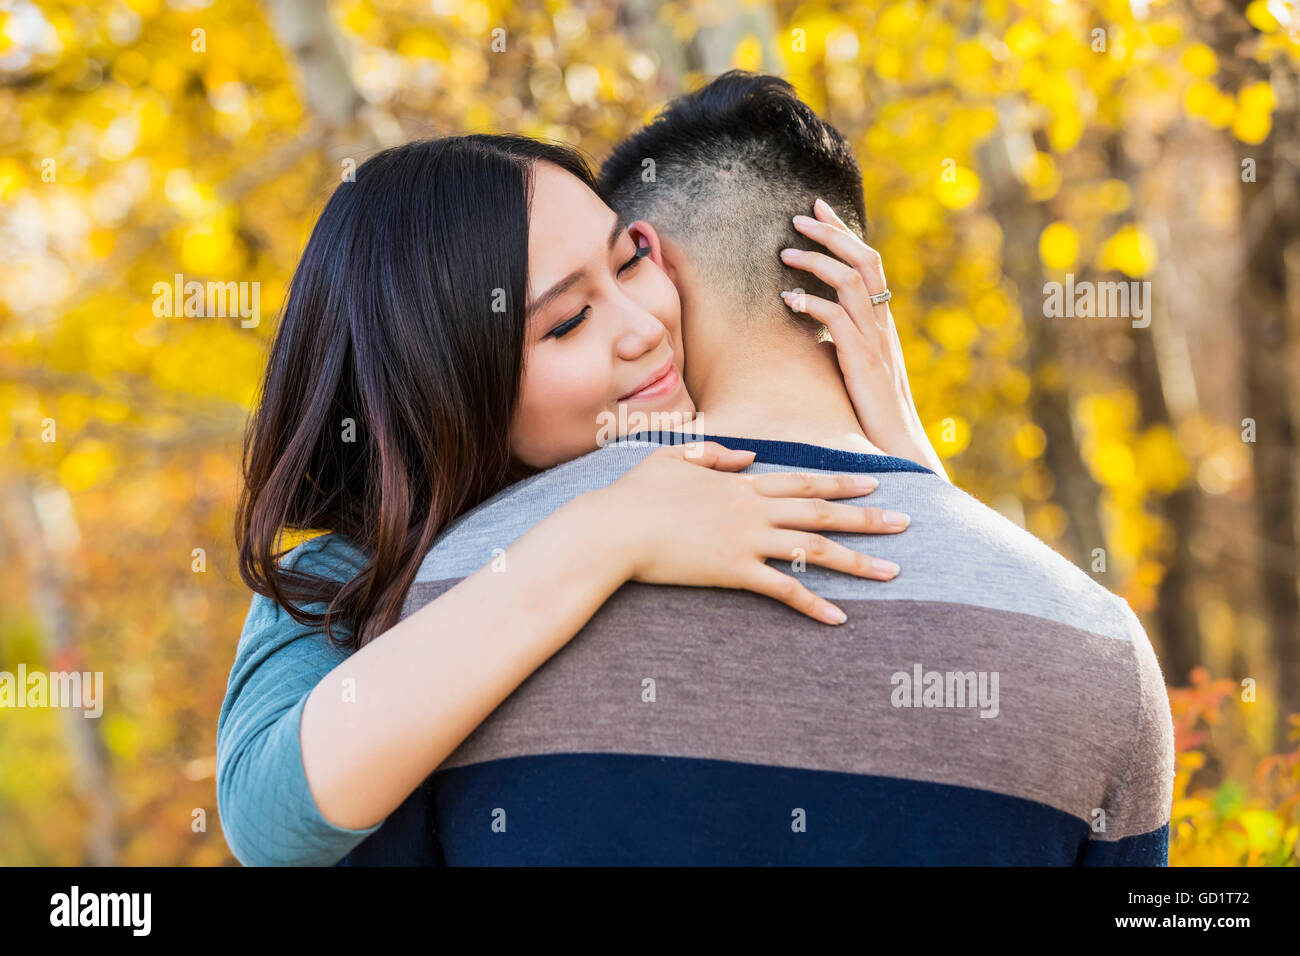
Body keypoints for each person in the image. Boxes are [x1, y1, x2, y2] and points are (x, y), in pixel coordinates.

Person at [390, 72, 1176, 864]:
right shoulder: (1095, 645)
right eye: (566, 319)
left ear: (655, 259)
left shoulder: (437, 601)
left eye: (619, 270)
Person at [216, 131, 941, 864]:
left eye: (630, 261)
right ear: (443, 388)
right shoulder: (346, 574)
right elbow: (265, 819)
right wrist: (604, 534)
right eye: (565, 323)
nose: (642, 326)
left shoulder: (715, 481)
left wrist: (908, 455)